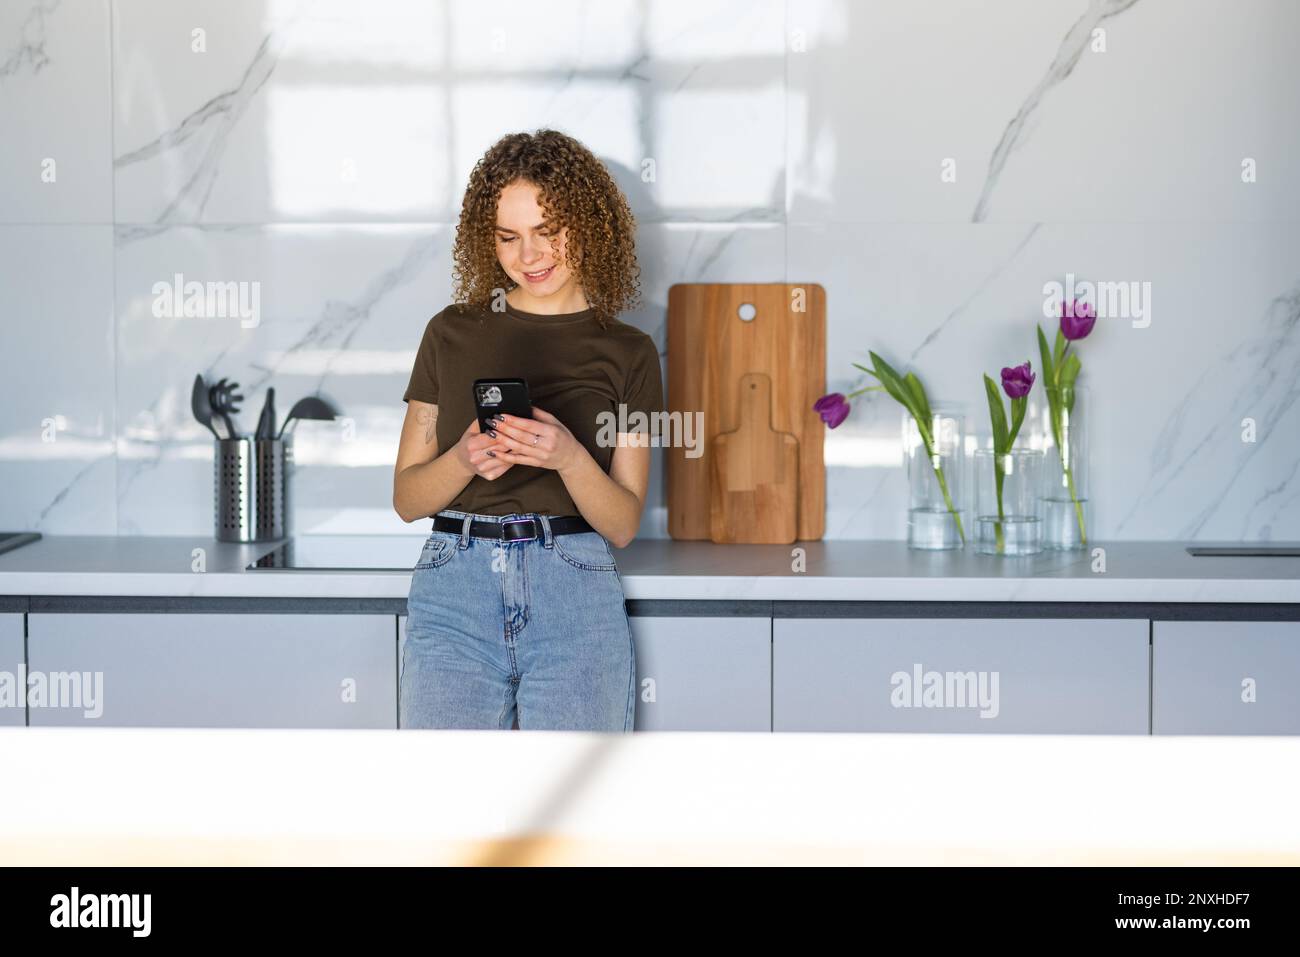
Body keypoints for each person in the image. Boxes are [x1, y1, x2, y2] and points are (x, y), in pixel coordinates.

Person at [393, 129, 663, 732]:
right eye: (509, 237)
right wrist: (462, 460)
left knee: (574, 816)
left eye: (549, 231)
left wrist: (568, 457)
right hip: (454, 588)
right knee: (449, 812)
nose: (530, 255)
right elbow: (407, 500)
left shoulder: (632, 353)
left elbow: (621, 523)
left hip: (575, 594)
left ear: (590, 226)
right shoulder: (450, 332)